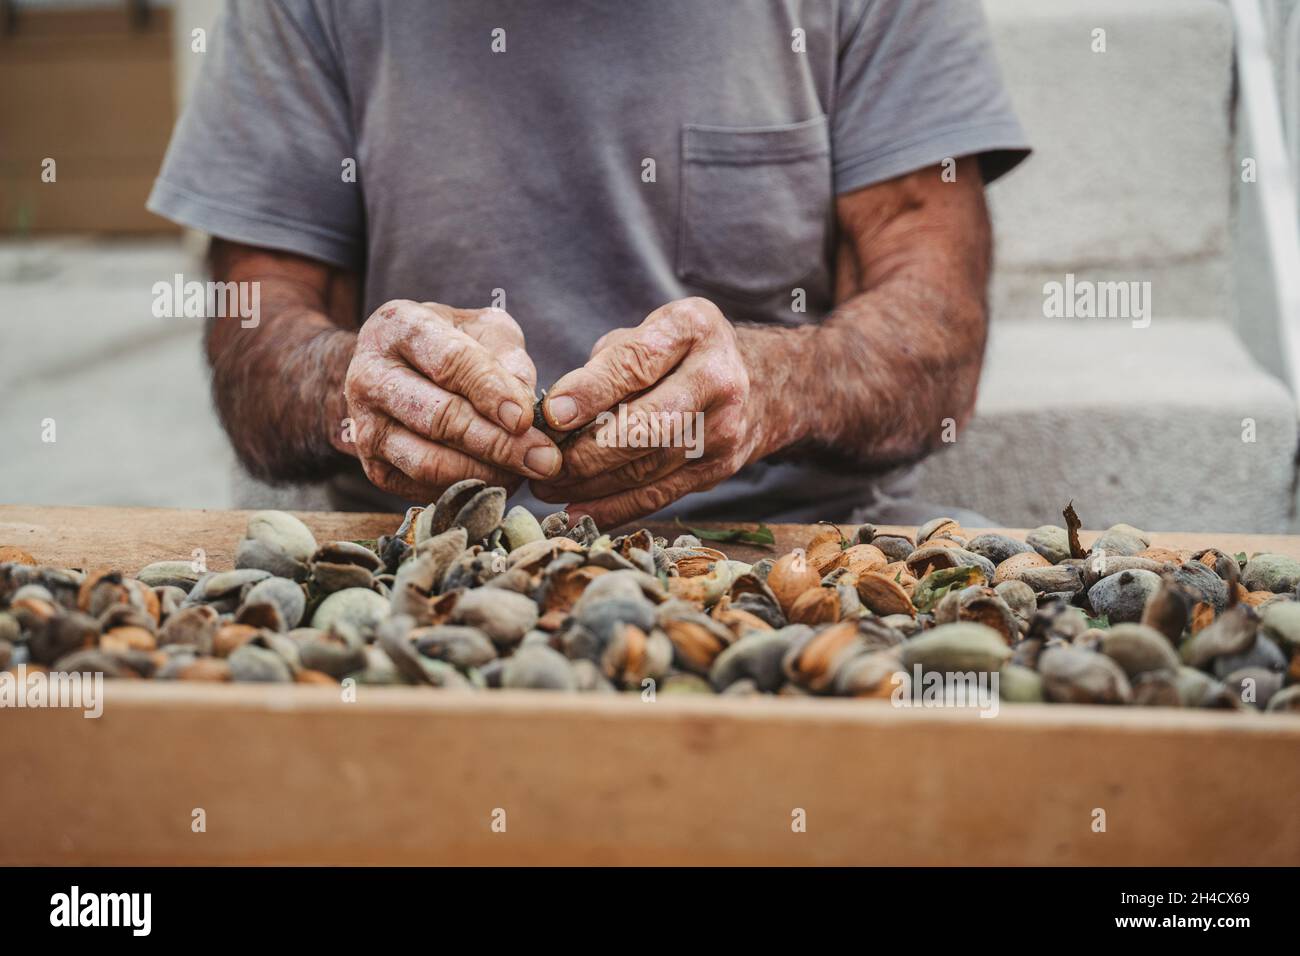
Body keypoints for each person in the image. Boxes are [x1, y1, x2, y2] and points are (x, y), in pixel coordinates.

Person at [148, 0, 1029, 528]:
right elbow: (254, 340)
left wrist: (774, 388)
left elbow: (938, 332)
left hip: (802, 540)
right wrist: (354, 384)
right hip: (425, 555)